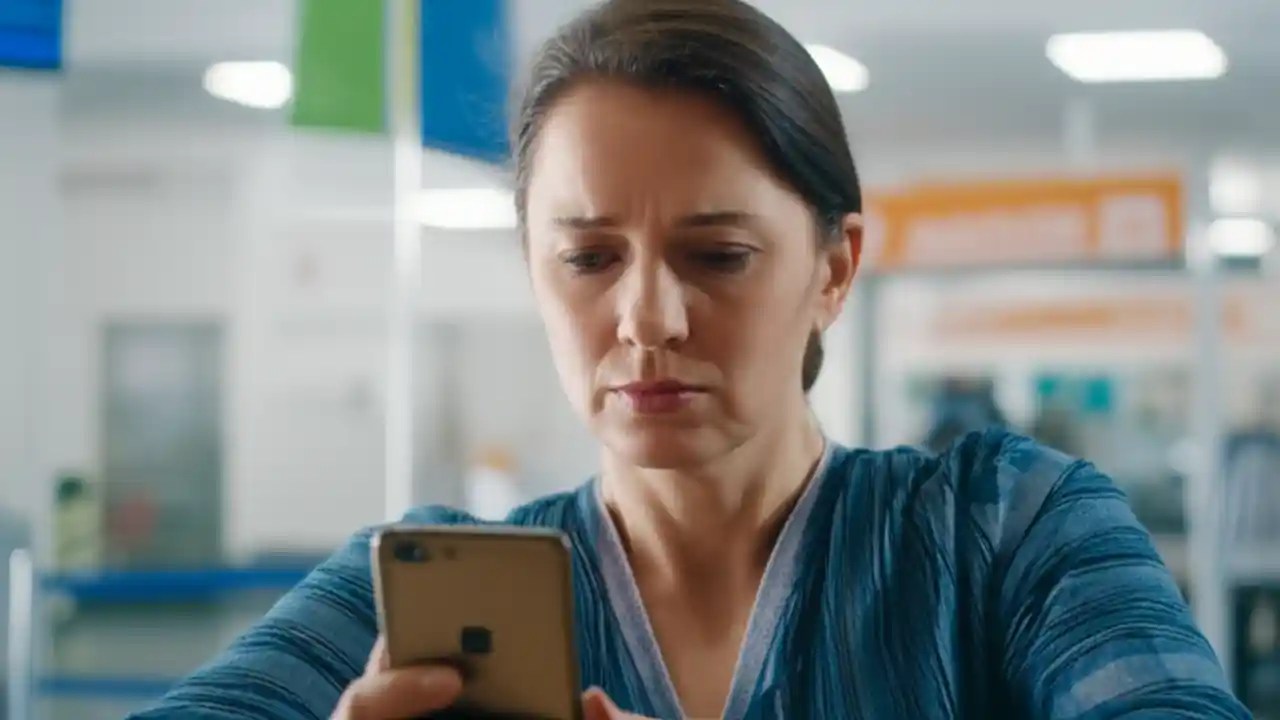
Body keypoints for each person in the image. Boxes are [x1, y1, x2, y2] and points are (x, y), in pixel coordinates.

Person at [132, 0, 1250, 717]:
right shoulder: (418, 595)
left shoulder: (1004, 537)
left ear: (831, 267)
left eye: (715, 255)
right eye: (586, 259)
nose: (648, 319)